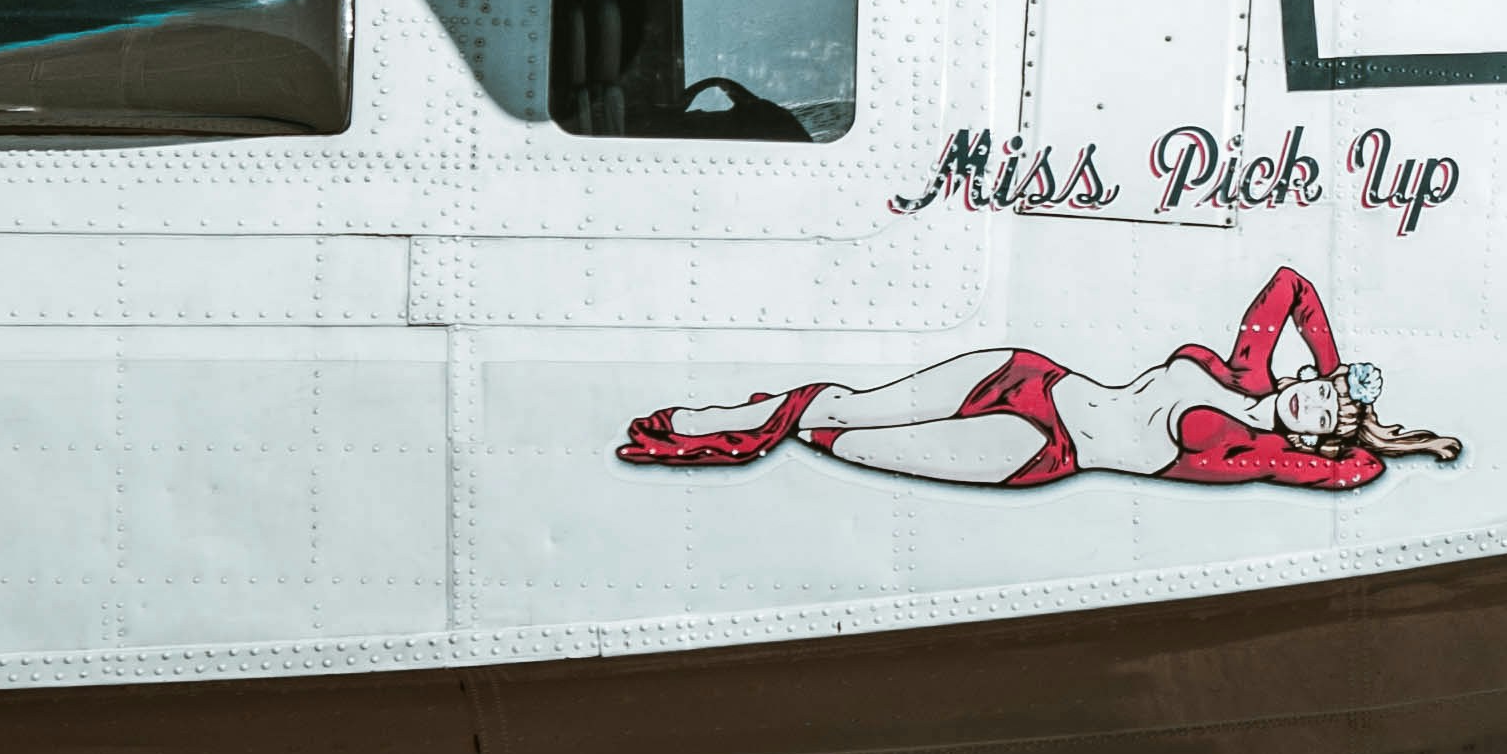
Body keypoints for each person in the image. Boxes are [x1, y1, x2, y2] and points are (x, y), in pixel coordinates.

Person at [620, 265, 1458, 493]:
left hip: (1040, 443)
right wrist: (1333, 361)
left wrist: (1386, 434)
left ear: (1306, 435)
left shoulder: (1255, 451)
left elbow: (1357, 468)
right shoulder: (1242, 370)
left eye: (1317, 409)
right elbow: (1291, 286)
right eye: (1318, 385)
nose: (1311, 393)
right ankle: (699, 419)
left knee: (839, 437)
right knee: (845, 401)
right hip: (1031, 377)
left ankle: (727, 435)